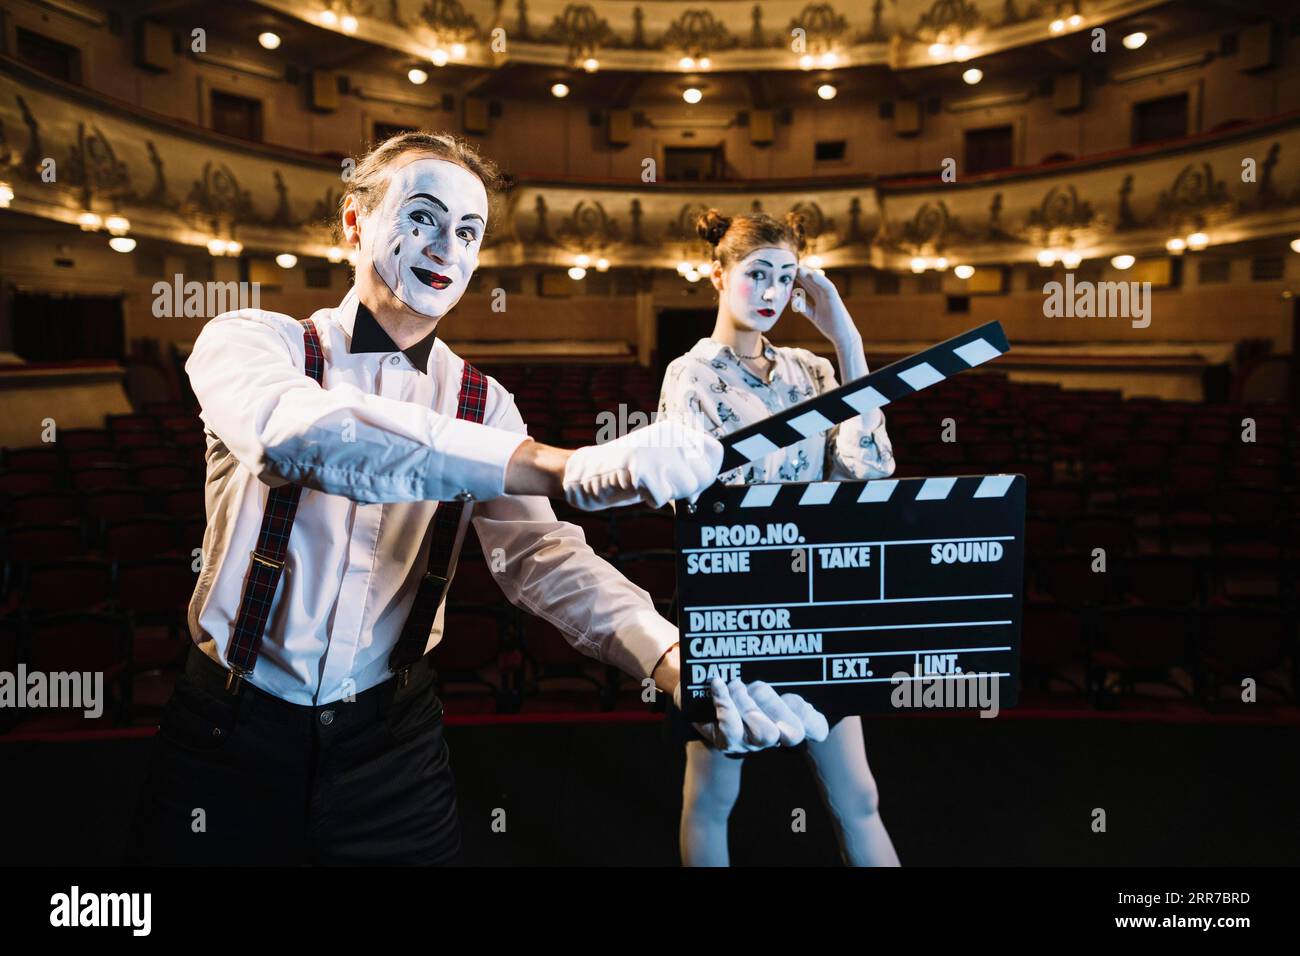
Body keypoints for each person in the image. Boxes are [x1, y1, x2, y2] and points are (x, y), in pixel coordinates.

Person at [126, 133, 827, 866]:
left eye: (469, 232)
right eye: (423, 217)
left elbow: (541, 556)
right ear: (355, 221)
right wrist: (562, 465)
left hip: (392, 741)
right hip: (226, 731)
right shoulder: (249, 340)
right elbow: (301, 435)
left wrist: (672, 659)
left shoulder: (483, 403)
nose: (446, 247)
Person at [657, 208, 902, 867]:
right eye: (756, 274)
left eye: (786, 279)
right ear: (717, 274)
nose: (771, 293)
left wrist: (847, 341)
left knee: (859, 795)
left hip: (818, 608)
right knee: (713, 794)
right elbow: (695, 501)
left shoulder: (813, 370)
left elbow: (866, 472)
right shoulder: (691, 376)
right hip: (732, 608)